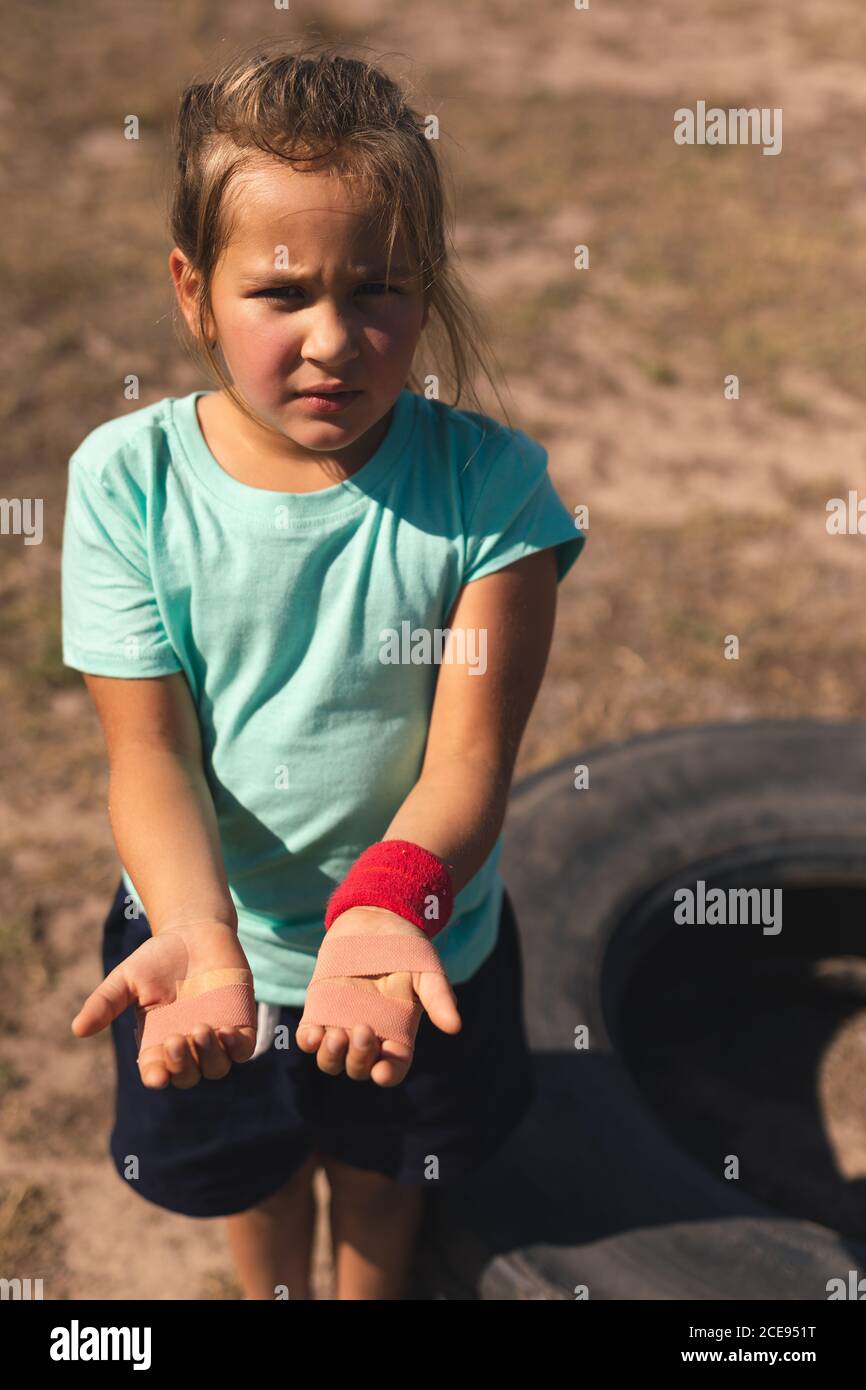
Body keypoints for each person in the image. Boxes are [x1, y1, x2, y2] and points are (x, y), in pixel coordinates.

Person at [62, 39, 587, 1301]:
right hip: (204, 953)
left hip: (418, 943)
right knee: (250, 1174)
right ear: (193, 291)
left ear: (429, 289)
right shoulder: (124, 484)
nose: (335, 338)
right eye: (282, 292)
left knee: (385, 1170)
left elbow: (471, 757)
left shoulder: (493, 491)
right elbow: (151, 755)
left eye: (381, 289)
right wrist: (194, 929)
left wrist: (381, 905)